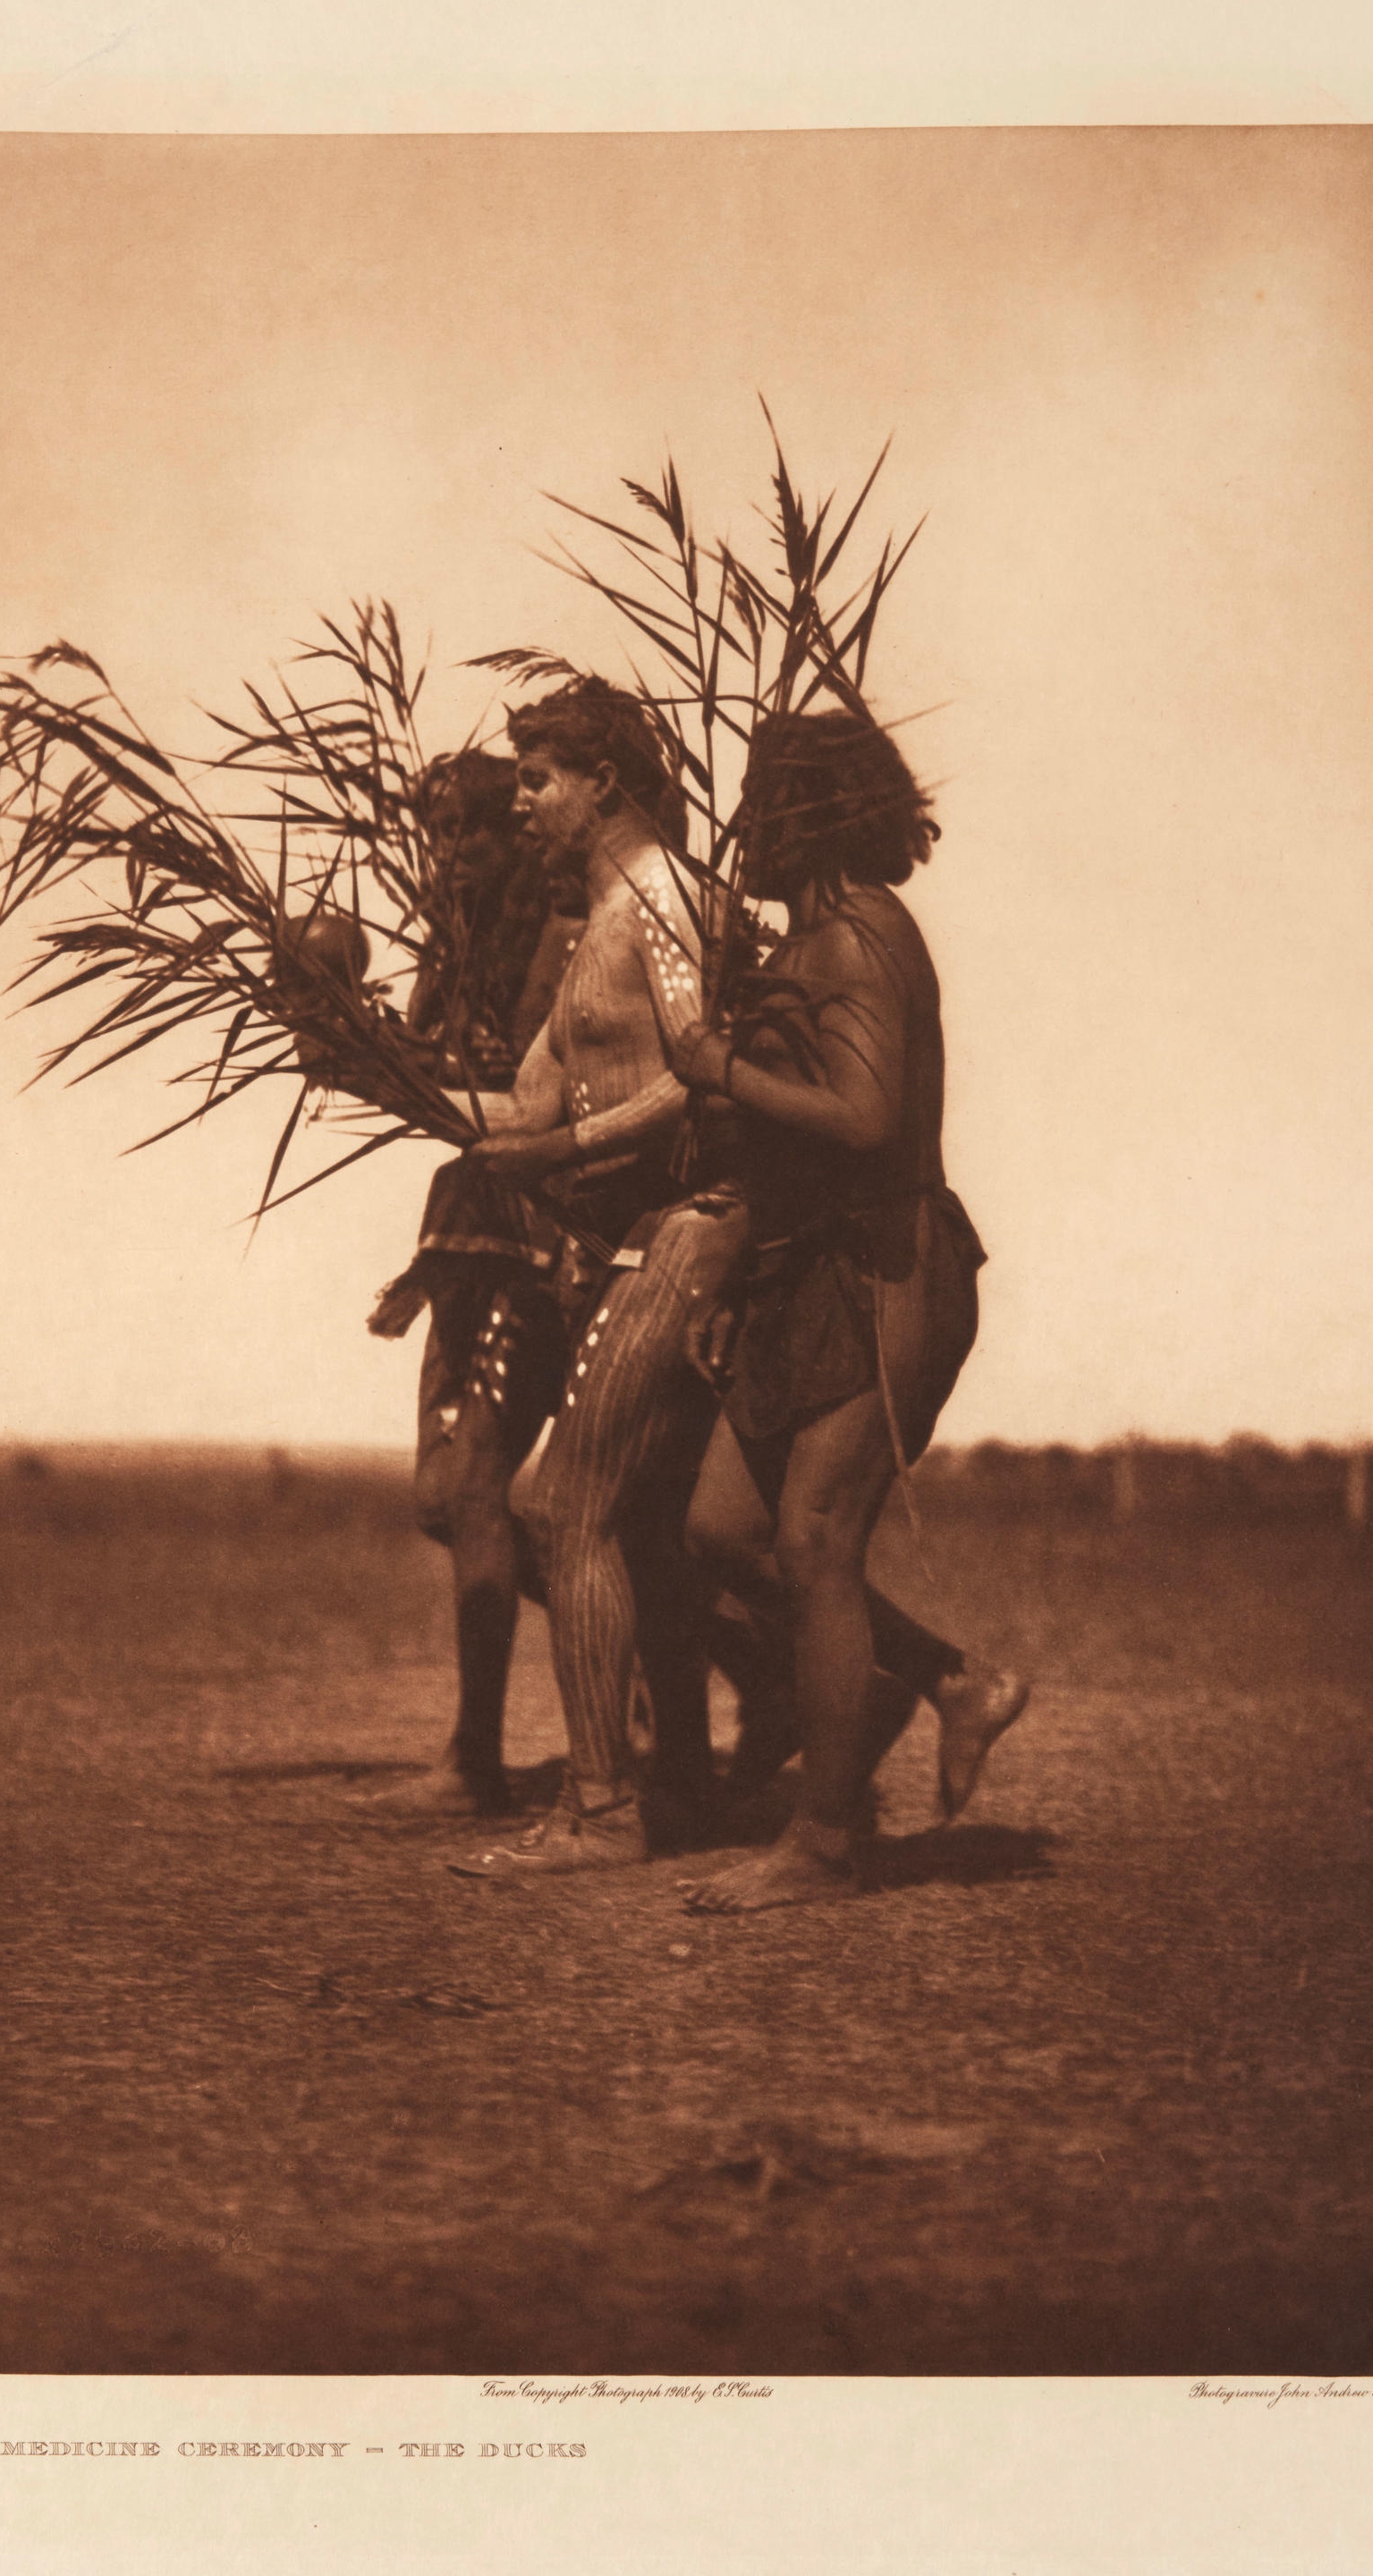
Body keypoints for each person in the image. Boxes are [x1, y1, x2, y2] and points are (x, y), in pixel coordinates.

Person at [670, 708, 1029, 1913]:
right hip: (802, 1268)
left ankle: (821, 1846)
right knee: (724, 1528)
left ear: (801, 813)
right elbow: (792, 1148)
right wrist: (733, 1266)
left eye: (756, 805)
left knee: (817, 1540)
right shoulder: (809, 941)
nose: (738, 828)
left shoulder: (860, 939)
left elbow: (868, 1124)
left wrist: (718, 1069)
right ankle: (941, 1679)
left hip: (886, 1268)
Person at [443, 679, 747, 1877]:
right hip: (644, 1237)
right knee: (605, 1517)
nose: (519, 803)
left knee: (559, 1506)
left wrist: (563, 1150)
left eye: (535, 780)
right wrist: (349, 1059)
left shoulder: (657, 899)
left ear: (602, 783)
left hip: (687, 1230)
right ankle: (647, 1788)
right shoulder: (598, 920)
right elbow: (518, 1104)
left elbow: (699, 1077)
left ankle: (604, 1809)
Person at [294, 750, 584, 1819]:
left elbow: (520, 1098)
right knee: (442, 1500)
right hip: (471, 1230)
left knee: (470, 1492)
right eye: (436, 832)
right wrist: (334, 1025)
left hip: (543, 1234)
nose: (450, 852)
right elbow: (426, 1068)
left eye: (471, 830)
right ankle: (700, 1643)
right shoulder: (456, 948)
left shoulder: (562, 941)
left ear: (516, 833)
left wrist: (395, 1064)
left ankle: (476, 1761)